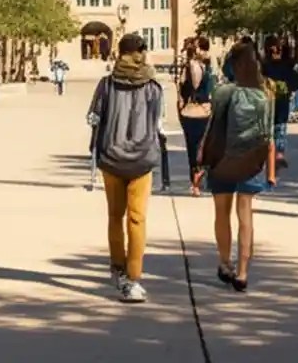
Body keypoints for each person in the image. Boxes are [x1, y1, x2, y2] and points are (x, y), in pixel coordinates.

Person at [86, 32, 162, 303]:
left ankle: (118, 268)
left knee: (115, 217)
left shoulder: (107, 85)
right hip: (142, 159)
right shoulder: (153, 86)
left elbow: (93, 118)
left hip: (112, 157)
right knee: (137, 219)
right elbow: (158, 123)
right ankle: (134, 277)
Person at [199, 41, 276, 292]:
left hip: (222, 159)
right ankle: (242, 273)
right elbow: (269, 134)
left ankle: (224, 262)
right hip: (251, 159)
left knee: (221, 212)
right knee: (246, 215)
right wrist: (270, 167)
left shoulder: (221, 92)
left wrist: (202, 159)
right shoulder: (266, 91)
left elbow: (212, 127)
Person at [177, 36, 214, 196]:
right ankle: (201, 176)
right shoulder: (210, 65)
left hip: (192, 110)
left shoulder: (192, 65)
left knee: (193, 147)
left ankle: (195, 181)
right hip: (206, 109)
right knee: (204, 145)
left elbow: (190, 86)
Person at [261, 36, 298, 170]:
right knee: (280, 127)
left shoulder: (265, 65)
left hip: (270, 100)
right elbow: (296, 80)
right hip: (280, 99)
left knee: (273, 127)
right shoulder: (286, 64)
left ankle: (274, 153)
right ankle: (278, 153)